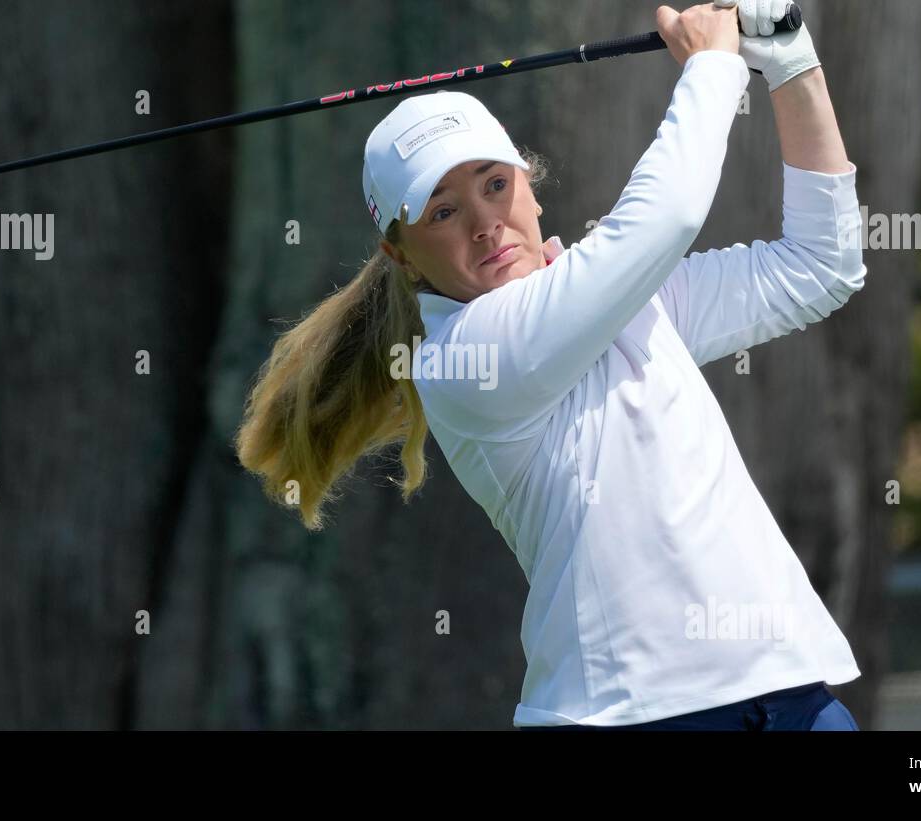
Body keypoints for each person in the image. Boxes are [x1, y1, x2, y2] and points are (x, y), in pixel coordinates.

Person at [234, 0, 865, 730]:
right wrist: (714, 65)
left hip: (792, 691)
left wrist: (790, 62)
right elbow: (665, 219)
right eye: (442, 211)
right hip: (633, 715)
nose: (483, 222)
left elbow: (821, 266)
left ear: (530, 183)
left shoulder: (627, 301)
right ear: (400, 255)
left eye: (494, 184)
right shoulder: (463, 362)